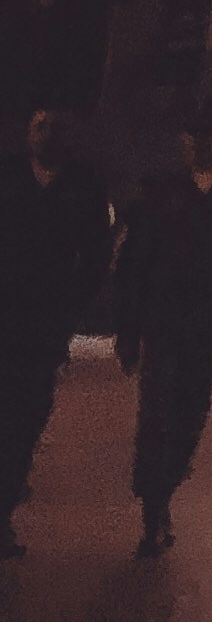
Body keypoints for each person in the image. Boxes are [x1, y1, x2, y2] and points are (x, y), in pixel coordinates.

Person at [112, 95, 212, 558]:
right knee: (156, 416)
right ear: (182, 139)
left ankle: (163, 492)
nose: (200, 142)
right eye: (192, 134)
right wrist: (126, 330)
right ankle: (153, 510)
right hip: (163, 319)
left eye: (208, 133)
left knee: (190, 420)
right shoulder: (160, 187)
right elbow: (135, 259)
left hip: (209, 322)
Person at [0, 110, 112, 558]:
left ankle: (3, 513)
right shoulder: (8, 176)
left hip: (44, 325)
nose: (48, 134)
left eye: (56, 126)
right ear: (28, 130)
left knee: (26, 417)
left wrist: (74, 304)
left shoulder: (84, 184)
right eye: (40, 124)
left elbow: (97, 252)